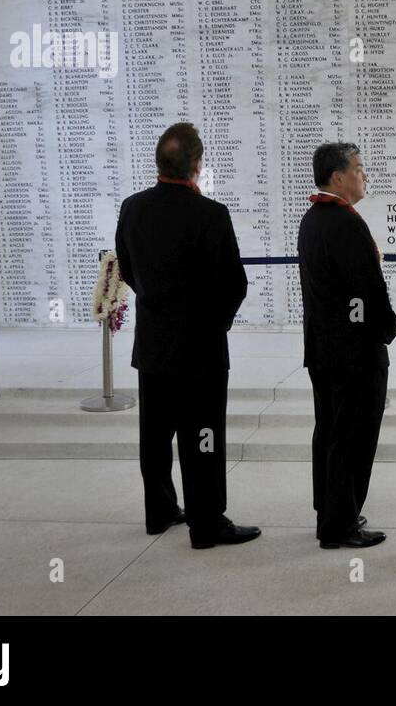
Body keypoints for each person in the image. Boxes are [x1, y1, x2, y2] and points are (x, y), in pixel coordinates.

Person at [114, 122, 261, 549]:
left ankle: (159, 512)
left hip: (155, 344)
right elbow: (234, 283)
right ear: (197, 164)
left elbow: (126, 267)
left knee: (155, 436)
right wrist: (216, 322)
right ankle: (206, 522)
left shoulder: (132, 207)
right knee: (204, 436)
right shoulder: (210, 214)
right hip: (201, 349)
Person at [298, 142, 396, 550]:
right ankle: (339, 525)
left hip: (324, 349)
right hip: (353, 353)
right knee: (352, 437)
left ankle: (331, 511)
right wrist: (386, 329)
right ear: (337, 177)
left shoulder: (313, 218)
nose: (364, 175)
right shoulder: (344, 223)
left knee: (331, 431)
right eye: (358, 168)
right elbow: (365, 291)